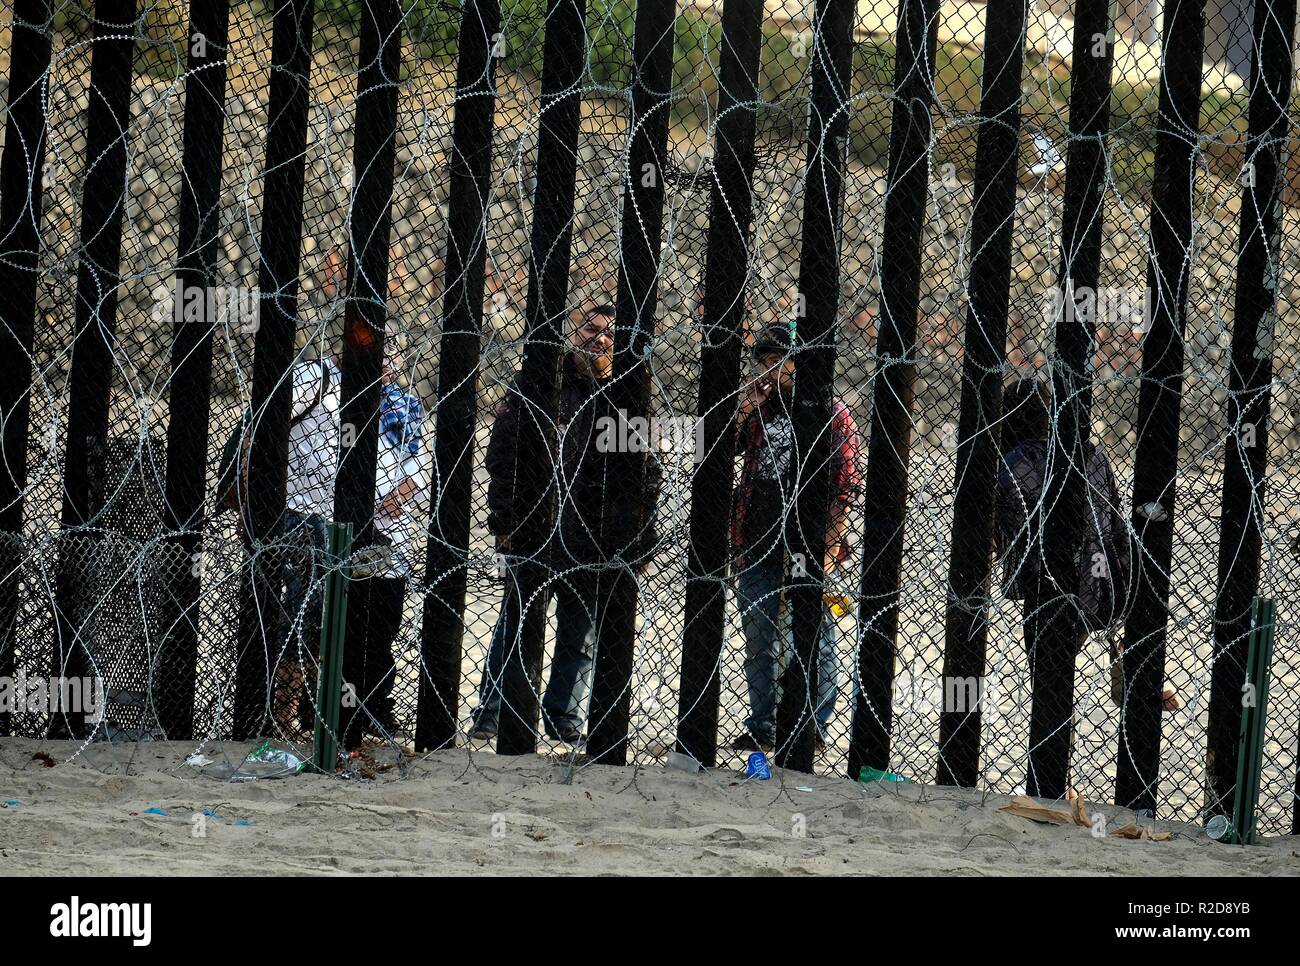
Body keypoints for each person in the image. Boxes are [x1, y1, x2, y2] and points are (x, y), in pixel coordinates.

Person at [470, 301, 663, 745]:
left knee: (580, 634)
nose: (599, 339)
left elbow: (647, 476)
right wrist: (503, 520)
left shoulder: (626, 398)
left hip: (594, 535)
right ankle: (495, 712)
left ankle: (562, 717)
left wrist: (641, 541)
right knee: (517, 625)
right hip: (537, 528)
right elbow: (503, 454)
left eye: (609, 334)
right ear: (572, 332)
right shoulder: (542, 384)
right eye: (590, 329)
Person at [994, 377, 1180, 714]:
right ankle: (1121, 648)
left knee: (1049, 675)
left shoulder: (1012, 462)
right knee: (1088, 608)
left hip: (1048, 582)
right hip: (1099, 574)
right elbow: (1113, 516)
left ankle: (1053, 733)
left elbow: (1011, 529)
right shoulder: (1092, 453)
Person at [729, 323, 863, 754]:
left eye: (779, 361)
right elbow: (716, 449)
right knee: (760, 635)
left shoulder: (831, 413)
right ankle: (763, 722)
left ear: (799, 362)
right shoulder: (760, 413)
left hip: (807, 544)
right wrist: (745, 408)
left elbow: (845, 486)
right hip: (757, 539)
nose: (769, 371)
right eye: (763, 363)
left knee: (815, 635)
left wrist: (827, 546)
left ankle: (812, 723)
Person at [339, 344, 426, 746]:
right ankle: (337, 706)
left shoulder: (407, 408)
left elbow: (419, 466)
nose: (387, 358)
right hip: (345, 527)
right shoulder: (340, 396)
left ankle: (376, 706)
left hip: (392, 531)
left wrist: (400, 493)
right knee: (344, 624)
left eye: (395, 351)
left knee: (382, 625)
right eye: (381, 349)